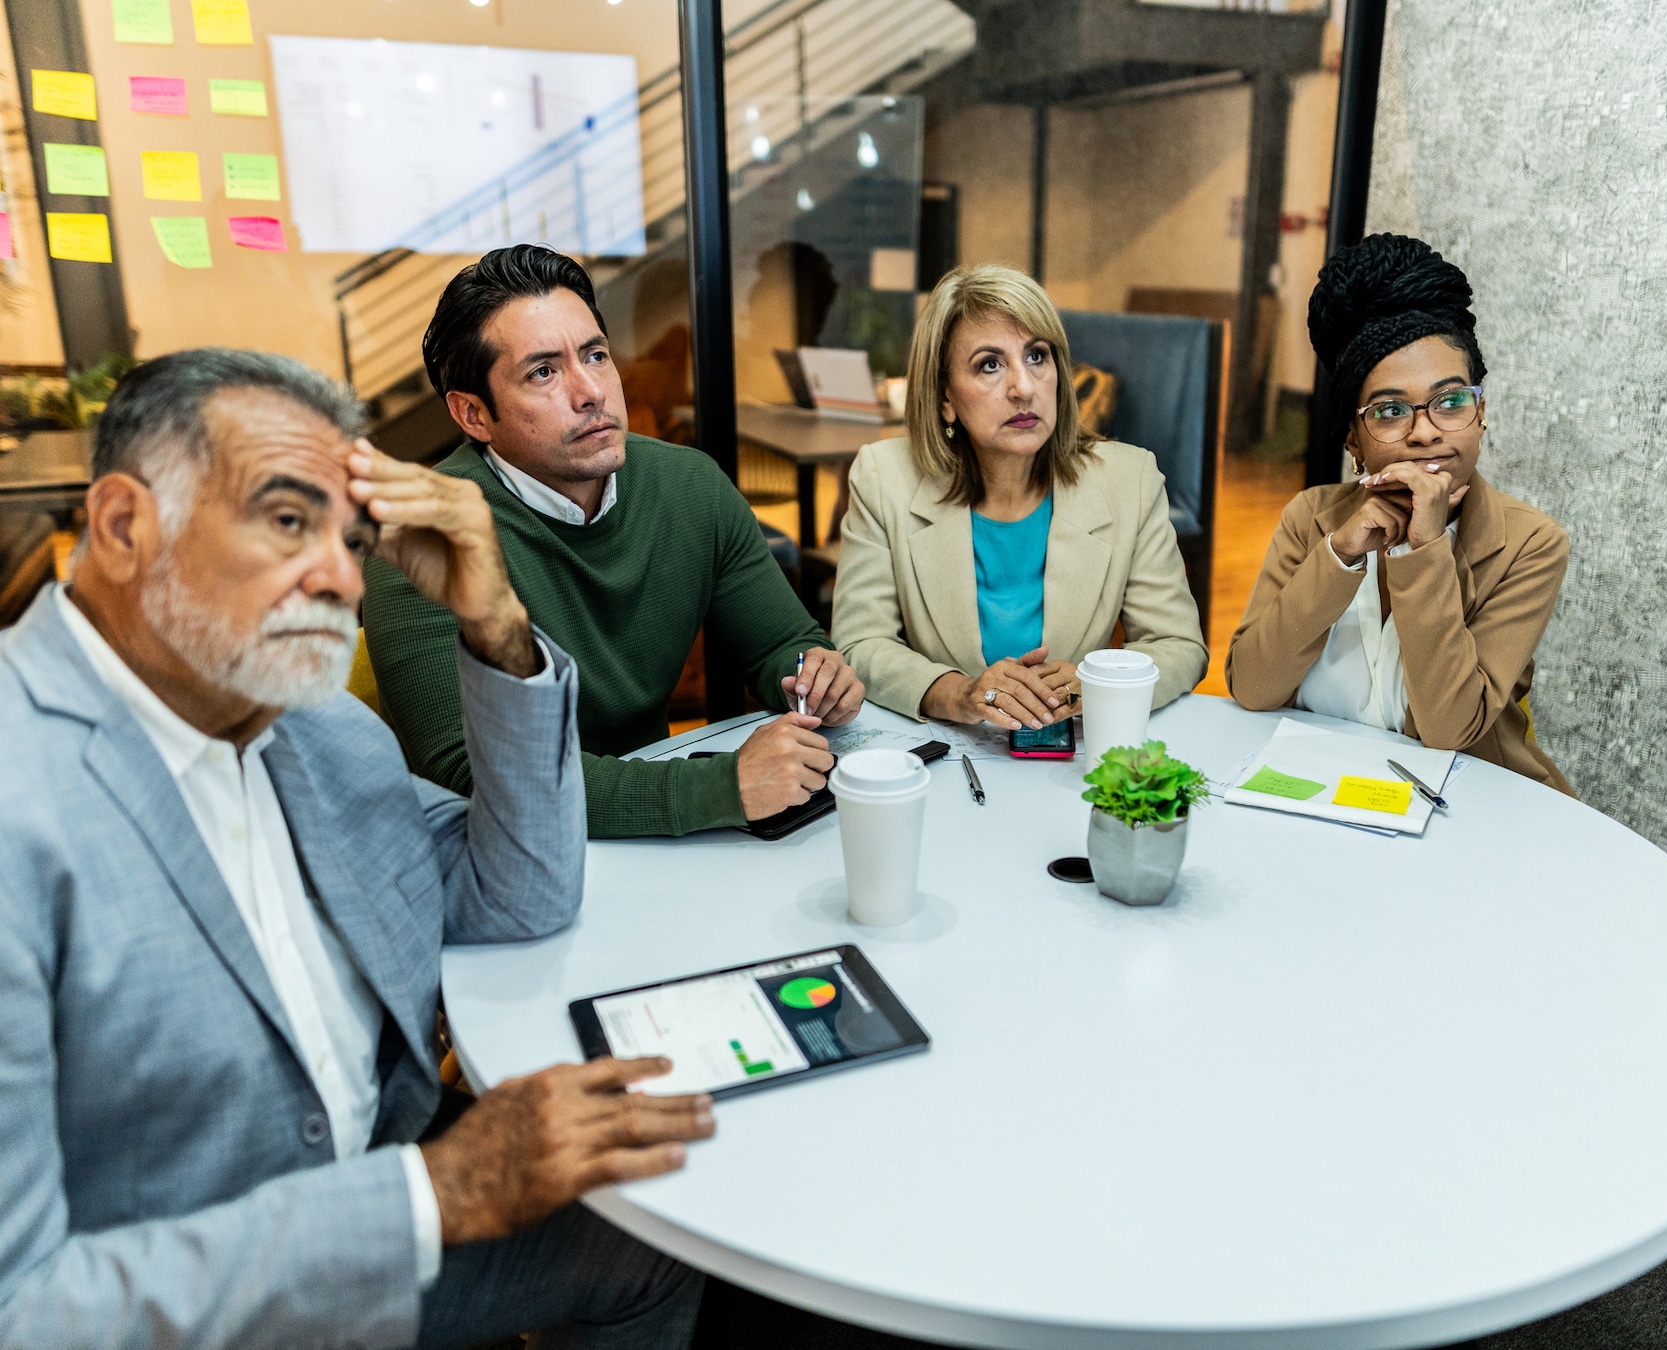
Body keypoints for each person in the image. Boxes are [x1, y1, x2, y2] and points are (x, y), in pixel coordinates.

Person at [0, 349, 716, 1348]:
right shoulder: (19, 795)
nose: (345, 577)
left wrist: (495, 618)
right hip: (171, 1308)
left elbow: (521, 897)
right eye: (289, 521)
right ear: (126, 527)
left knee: (655, 1235)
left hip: (377, 1235)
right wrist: (426, 1198)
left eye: (356, 536)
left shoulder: (322, 733)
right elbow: (21, 1310)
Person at [363, 245, 865, 838]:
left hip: (653, 830)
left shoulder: (689, 485)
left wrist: (813, 676)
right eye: (543, 372)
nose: (591, 391)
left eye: (596, 355)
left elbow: (782, 643)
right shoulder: (423, 539)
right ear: (473, 415)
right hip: (505, 861)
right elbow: (468, 777)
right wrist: (718, 788)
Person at [1226, 234, 1573, 794]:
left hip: (1470, 807)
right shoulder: (1310, 517)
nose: (1426, 430)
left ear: (1481, 414)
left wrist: (1425, 548)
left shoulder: (1530, 543)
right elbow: (1252, 686)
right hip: (1321, 797)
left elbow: (1451, 727)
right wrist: (1339, 554)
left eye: (1451, 401)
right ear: (1352, 440)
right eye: (1389, 411)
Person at [831, 264, 1205, 731]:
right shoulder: (884, 477)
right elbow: (859, 642)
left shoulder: (1129, 480)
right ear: (945, 397)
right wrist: (956, 693)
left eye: (1037, 357)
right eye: (990, 364)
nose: (1023, 388)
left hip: (1074, 760)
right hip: (948, 755)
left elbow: (1179, 645)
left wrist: (1099, 686)